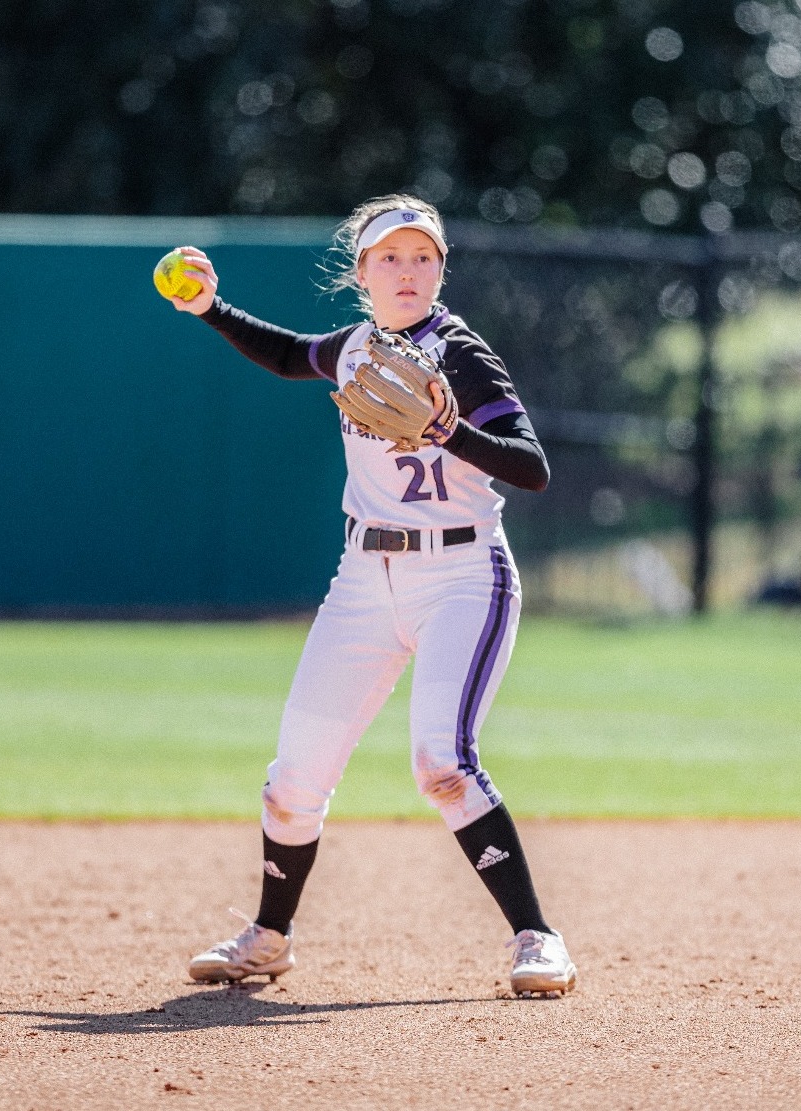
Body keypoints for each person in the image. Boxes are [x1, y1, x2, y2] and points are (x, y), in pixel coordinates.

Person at [163, 196, 575, 997]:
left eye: (423, 256)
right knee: (291, 779)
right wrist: (209, 308)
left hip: (462, 575)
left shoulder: (460, 352)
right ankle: (268, 937)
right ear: (362, 273)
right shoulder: (354, 345)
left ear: (441, 268)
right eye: (390, 257)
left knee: (442, 762)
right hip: (362, 581)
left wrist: (447, 429)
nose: (408, 270)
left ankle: (537, 937)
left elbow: (530, 467)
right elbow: (288, 355)